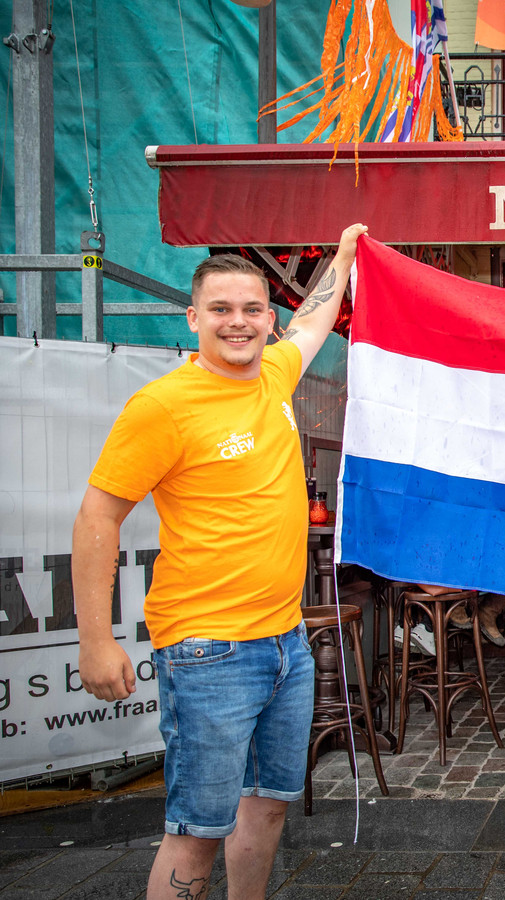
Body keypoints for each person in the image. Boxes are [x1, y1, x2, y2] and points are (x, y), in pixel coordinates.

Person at [73, 224, 367, 900]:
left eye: (251, 310)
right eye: (221, 310)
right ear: (194, 317)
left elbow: (316, 316)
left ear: (269, 318)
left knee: (265, 808)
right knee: (198, 829)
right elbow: (97, 516)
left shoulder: (275, 371)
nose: (238, 323)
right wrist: (94, 640)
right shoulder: (163, 406)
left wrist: (346, 255)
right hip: (208, 651)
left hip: (285, 644)